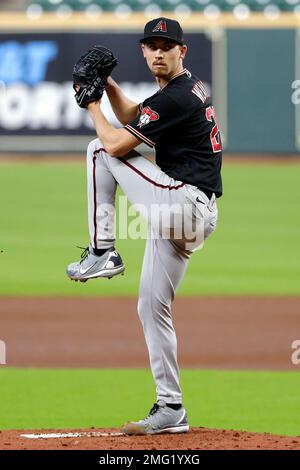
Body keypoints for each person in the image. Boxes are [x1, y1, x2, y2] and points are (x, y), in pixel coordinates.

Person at [67, 17, 222, 435]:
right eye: (151, 45)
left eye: (166, 46)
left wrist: (93, 104)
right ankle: (171, 408)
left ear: (181, 51)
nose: (158, 52)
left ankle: (102, 251)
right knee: (152, 307)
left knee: (99, 149)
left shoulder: (177, 97)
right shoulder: (183, 90)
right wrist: (110, 86)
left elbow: (118, 143)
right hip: (189, 216)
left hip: (183, 205)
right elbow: (138, 117)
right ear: (143, 50)